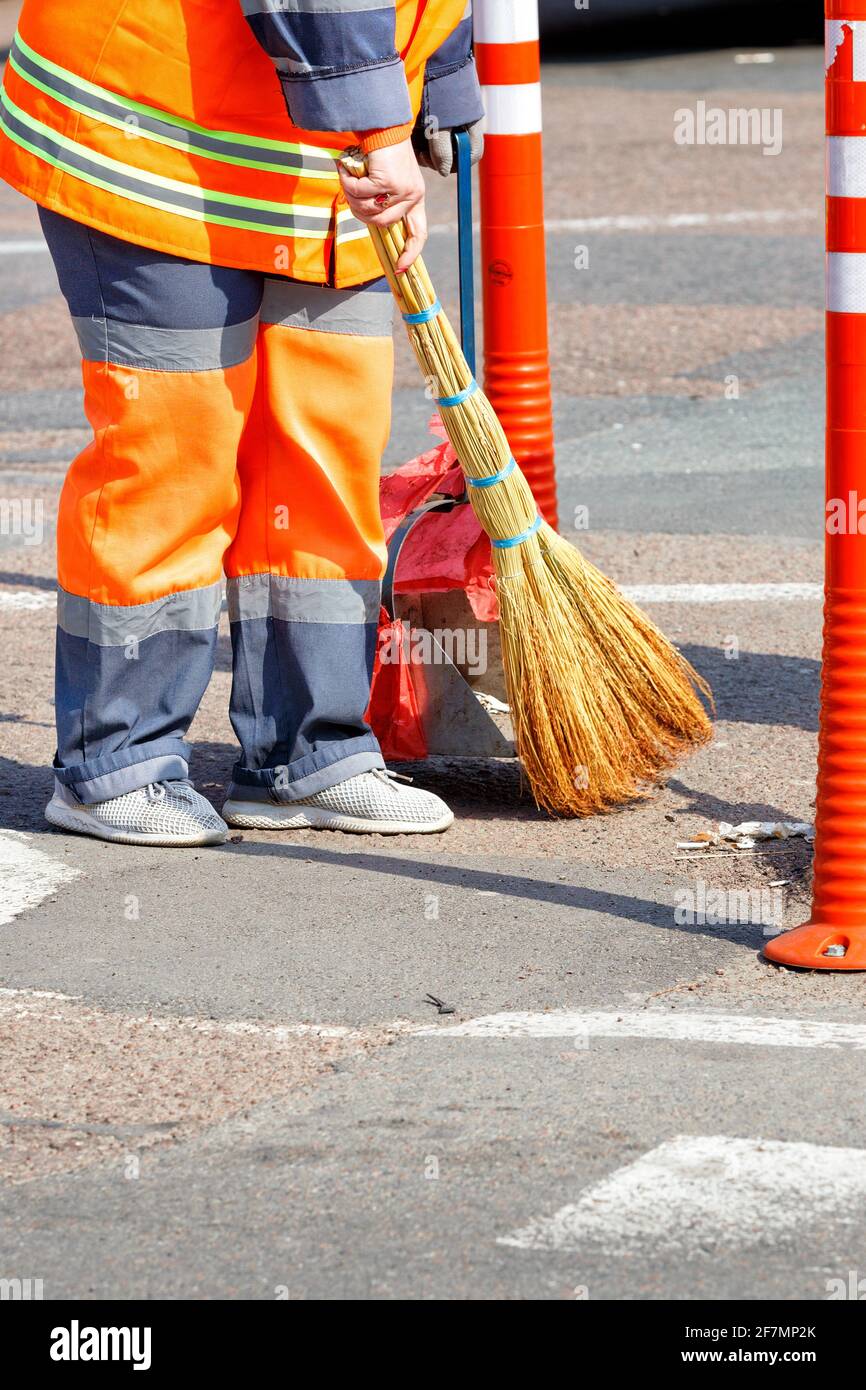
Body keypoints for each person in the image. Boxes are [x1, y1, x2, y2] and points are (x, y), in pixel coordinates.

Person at [0, 0, 484, 846]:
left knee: (323, 447)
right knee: (174, 450)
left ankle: (311, 753)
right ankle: (115, 764)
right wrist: (380, 126)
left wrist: (433, 94)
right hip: (153, 125)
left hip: (314, 143)